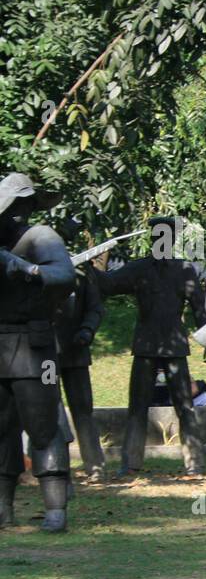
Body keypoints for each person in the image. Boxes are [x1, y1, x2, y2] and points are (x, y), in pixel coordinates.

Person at [97, 215, 206, 477]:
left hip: (175, 348)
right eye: (159, 236)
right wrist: (96, 262)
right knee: (137, 406)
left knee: (185, 406)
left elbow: (200, 309)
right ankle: (131, 462)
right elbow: (109, 285)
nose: (163, 241)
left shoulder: (184, 270)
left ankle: (194, 462)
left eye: (167, 236)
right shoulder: (139, 269)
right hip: (145, 346)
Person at [0, 172, 75, 531]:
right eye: (12, 206)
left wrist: (24, 268)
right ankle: (3, 510)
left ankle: (55, 511)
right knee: (1, 431)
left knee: (44, 425)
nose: (19, 214)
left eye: (24, 206)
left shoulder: (40, 237)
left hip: (36, 348)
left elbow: (63, 275)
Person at [55, 240, 107, 481]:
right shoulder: (38, 271)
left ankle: (94, 464)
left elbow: (95, 308)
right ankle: (55, 464)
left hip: (76, 353)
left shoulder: (82, 274)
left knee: (83, 410)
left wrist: (87, 330)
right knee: (48, 409)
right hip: (46, 355)